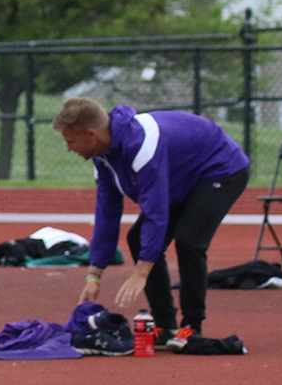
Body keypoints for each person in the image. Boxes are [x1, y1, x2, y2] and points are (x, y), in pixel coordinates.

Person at [54, 97, 251, 349]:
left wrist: (141, 273)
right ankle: (165, 326)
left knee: (189, 241)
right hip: (181, 176)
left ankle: (192, 326)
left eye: (71, 141)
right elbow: (107, 213)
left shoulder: (141, 146)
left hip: (219, 168)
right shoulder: (102, 157)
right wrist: (94, 276)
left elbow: (156, 212)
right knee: (137, 238)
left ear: (91, 134)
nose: (69, 148)